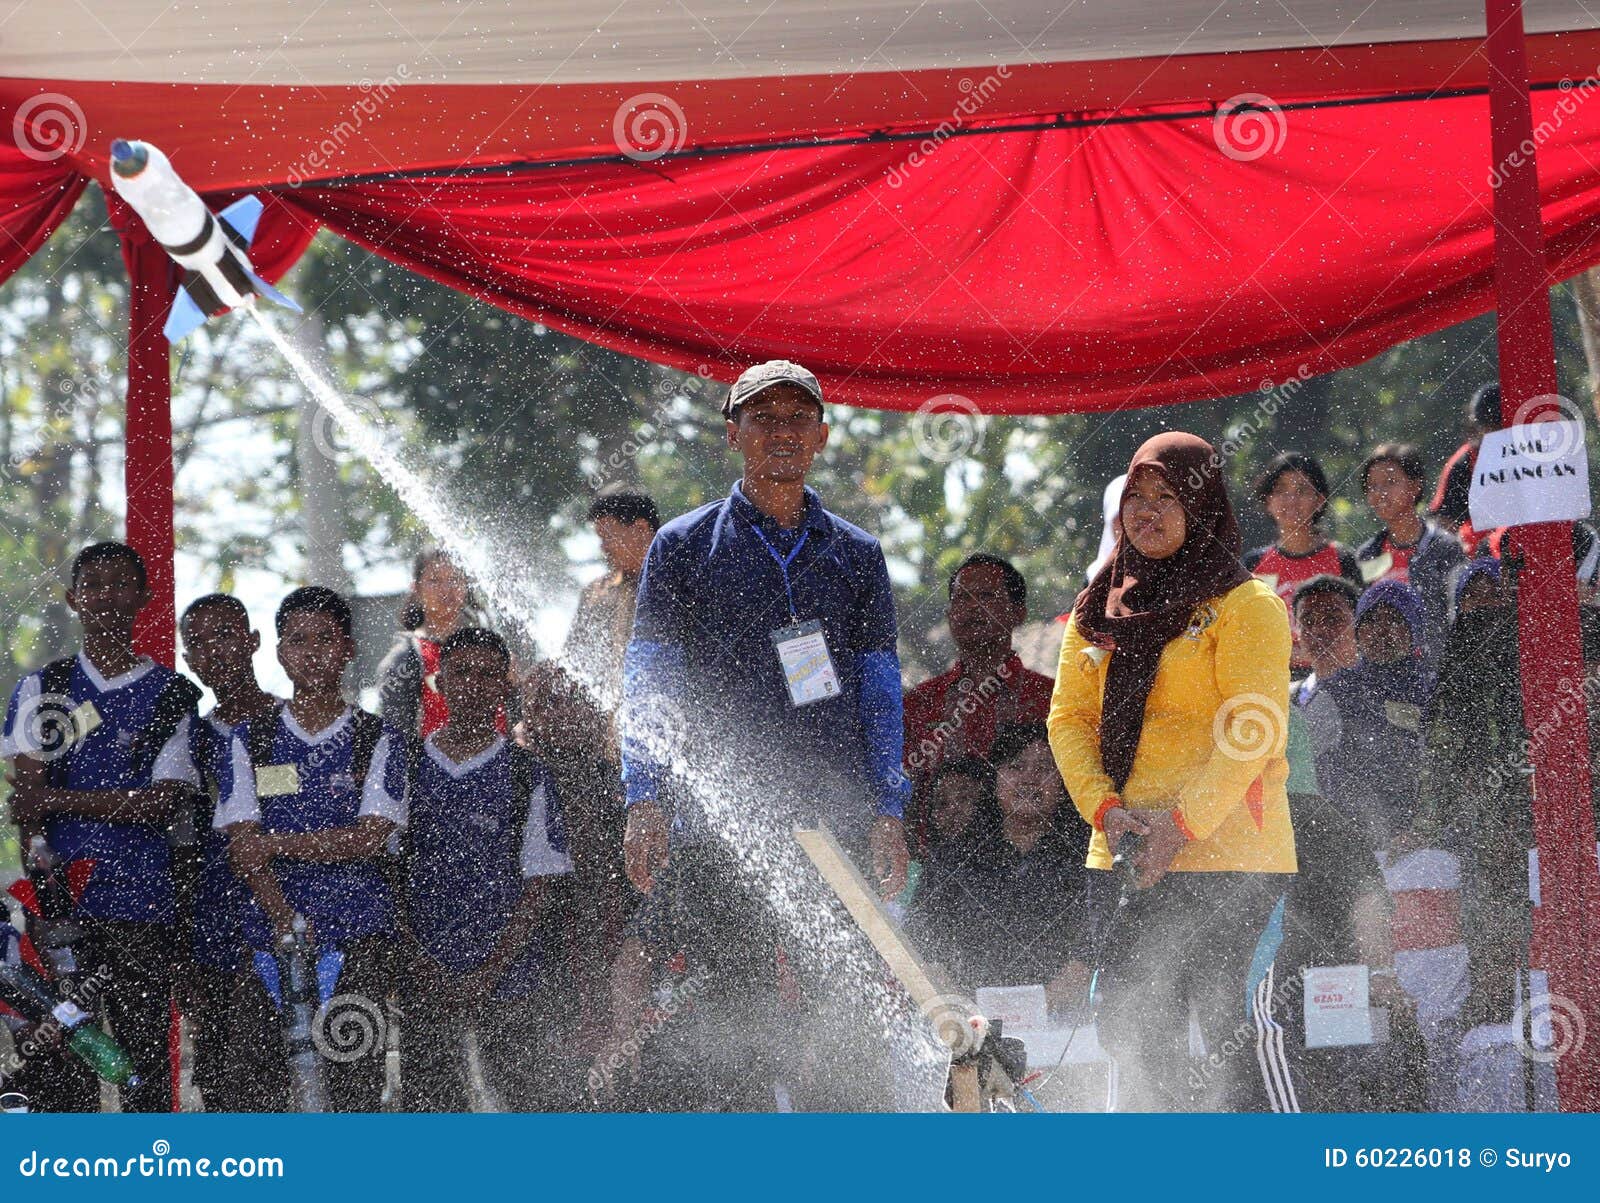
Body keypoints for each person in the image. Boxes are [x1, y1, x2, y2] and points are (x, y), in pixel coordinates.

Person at [615, 359, 911, 1110]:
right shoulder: (681, 549)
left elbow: (880, 691)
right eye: (763, 418)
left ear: (821, 435)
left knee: (845, 1008)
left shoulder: (858, 554)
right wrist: (644, 795)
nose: (781, 431)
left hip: (834, 817)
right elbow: (649, 681)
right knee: (732, 1014)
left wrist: (888, 807)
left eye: (795, 418)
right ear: (732, 433)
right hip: (722, 826)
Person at [1048, 433, 1295, 1112]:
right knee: (1131, 1035)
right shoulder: (1096, 609)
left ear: (1202, 505)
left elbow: (1254, 729)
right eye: (1136, 498)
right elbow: (1067, 720)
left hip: (1228, 859)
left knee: (1232, 1040)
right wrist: (1105, 809)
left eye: (1165, 498)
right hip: (1124, 852)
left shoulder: (1246, 606)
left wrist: (1180, 824)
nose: (1146, 512)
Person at [1, 541, 200, 1112]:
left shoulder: (173, 693)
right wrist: (41, 901)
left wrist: (57, 797)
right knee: (63, 1063)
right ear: (73, 599)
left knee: (144, 1065)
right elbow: (26, 808)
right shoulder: (44, 687)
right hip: (62, 907)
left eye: (121, 584)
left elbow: (161, 804)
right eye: (94, 585)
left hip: (143, 906)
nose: (107, 596)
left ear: (145, 598)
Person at [215, 586, 408, 1112]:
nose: (311, 651)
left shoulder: (377, 738)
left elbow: (369, 836)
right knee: (251, 1094)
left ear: (347, 648)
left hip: (355, 940)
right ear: (279, 652)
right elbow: (241, 846)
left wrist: (277, 843)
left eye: (325, 638)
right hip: (267, 943)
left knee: (353, 1088)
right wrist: (281, 917)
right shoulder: (249, 740)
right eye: (297, 640)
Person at [402, 629, 574, 1112]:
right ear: (439, 683)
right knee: (434, 1110)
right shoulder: (409, 768)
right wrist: (418, 962)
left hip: (511, 981)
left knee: (519, 1105)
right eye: (462, 672)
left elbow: (538, 888)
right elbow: (388, 874)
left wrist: (489, 971)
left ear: (505, 686)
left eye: (487, 674)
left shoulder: (526, 773)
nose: (474, 684)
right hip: (426, 978)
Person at [1246, 708, 1426, 1112]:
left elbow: (1367, 903)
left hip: (1294, 995)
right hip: (1332, 991)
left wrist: (1377, 975)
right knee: (1340, 1096)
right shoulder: (1330, 822)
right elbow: (1368, 904)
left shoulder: (1249, 821)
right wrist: (1379, 974)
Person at [151, 593, 281, 1112]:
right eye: (198, 644)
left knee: (288, 1073)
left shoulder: (293, 727)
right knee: (224, 1085)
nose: (214, 653)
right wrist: (182, 948)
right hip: (212, 935)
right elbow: (179, 847)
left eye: (225, 635)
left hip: (284, 928)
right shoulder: (191, 740)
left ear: (252, 642)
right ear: (187, 661)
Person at [907, 725, 1092, 1017]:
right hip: (968, 1020)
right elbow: (920, 930)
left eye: (1045, 767)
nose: (1030, 778)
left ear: (1065, 781)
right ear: (994, 779)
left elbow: (1103, 931)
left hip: (1068, 1021)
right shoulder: (956, 855)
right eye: (1016, 766)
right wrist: (951, 995)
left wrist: (1073, 979)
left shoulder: (1089, 855)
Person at [902, 554, 1054, 854]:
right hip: (937, 876)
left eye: (986, 596)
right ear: (948, 614)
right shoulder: (918, 704)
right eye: (961, 598)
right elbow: (899, 793)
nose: (972, 607)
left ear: (1018, 613)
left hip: (1029, 871)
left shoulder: (1052, 701)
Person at [1244, 452, 1359, 668]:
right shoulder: (1252, 565)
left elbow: (1358, 634)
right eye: (1280, 491)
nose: (1291, 500)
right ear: (1267, 501)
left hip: (1331, 681)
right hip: (1270, 682)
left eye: (1302, 490)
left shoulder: (1344, 560)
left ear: (1319, 500)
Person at [1355, 443, 1465, 666]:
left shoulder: (1444, 547)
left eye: (1390, 482)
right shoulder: (1367, 554)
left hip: (1435, 670)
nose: (1380, 493)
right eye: (1372, 486)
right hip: (1384, 673)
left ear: (1415, 486)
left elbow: (1458, 615)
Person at [379, 548, 494, 740]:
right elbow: (397, 738)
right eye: (434, 581)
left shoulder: (492, 652)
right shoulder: (406, 656)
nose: (446, 590)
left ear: (466, 585)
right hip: (434, 766)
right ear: (416, 588)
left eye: (454, 579)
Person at [565, 491, 660, 719]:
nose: (603, 548)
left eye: (608, 537)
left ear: (640, 529)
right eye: (600, 539)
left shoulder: (677, 582)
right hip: (611, 721)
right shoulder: (596, 593)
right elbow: (573, 658)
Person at [1430, 383, 1501, 553]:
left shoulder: (1534, 453)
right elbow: (1444, 521)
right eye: (1488, 427)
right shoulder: (1463, 462)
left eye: (1500, 426)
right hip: (1480, 555)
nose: (1495, 433)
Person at [1291, 575, 1360, 703]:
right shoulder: (1287, 700)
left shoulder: (1381, 690)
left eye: (1333, 619)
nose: (1318, 631)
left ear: (1358, 625)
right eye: (1308, 621)